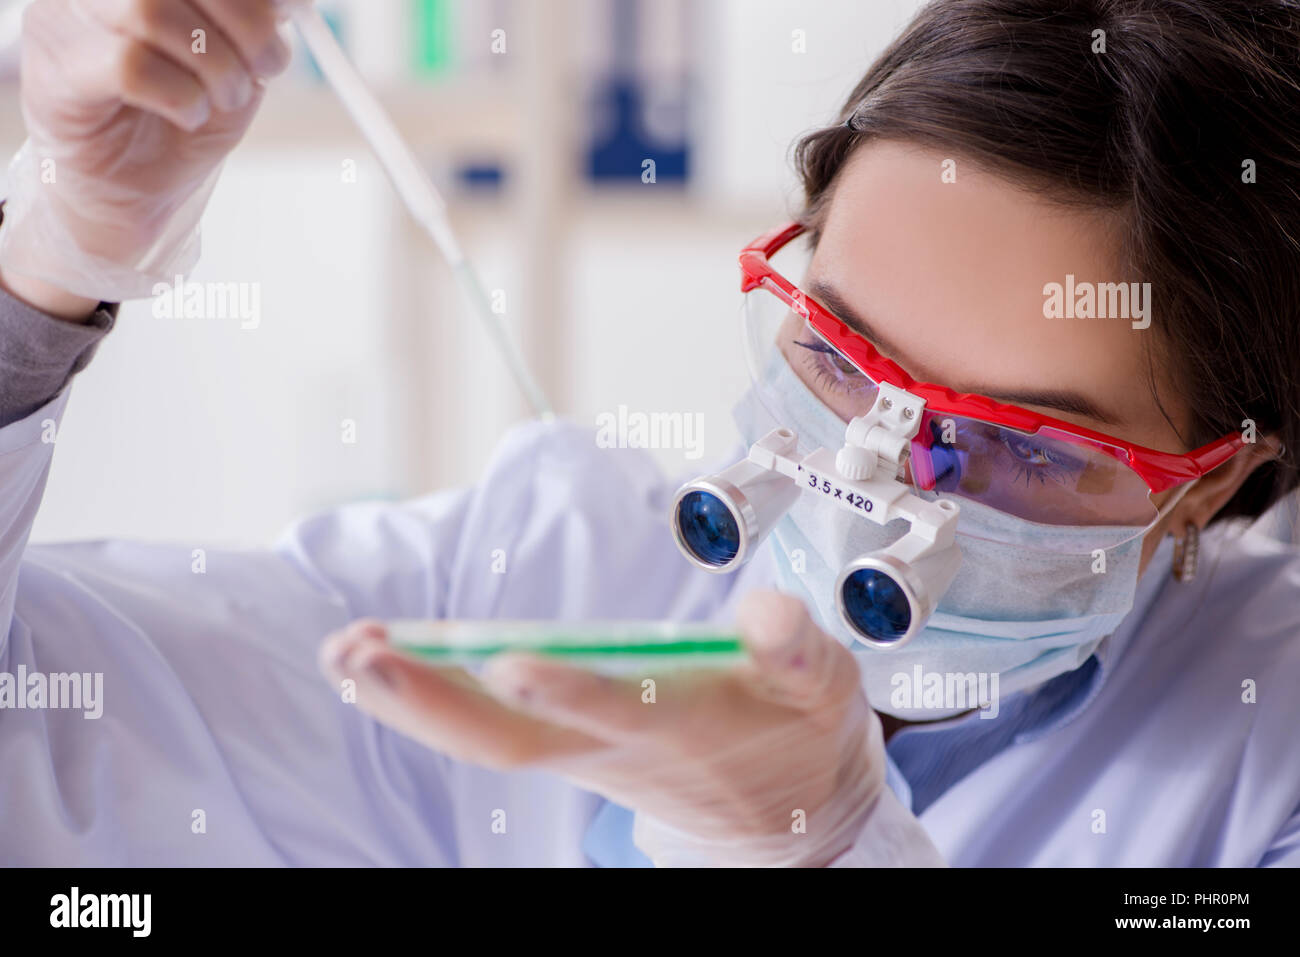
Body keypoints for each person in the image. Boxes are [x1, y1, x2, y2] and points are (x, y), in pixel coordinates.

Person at [0, 0, 1296, 867]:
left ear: (1216, 474)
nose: (873, 482)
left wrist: (826, 837)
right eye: (838, 357)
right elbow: (43, 731)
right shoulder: (557, 559)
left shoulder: (1267, 751)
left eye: (1024, 444)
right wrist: (51, 273)